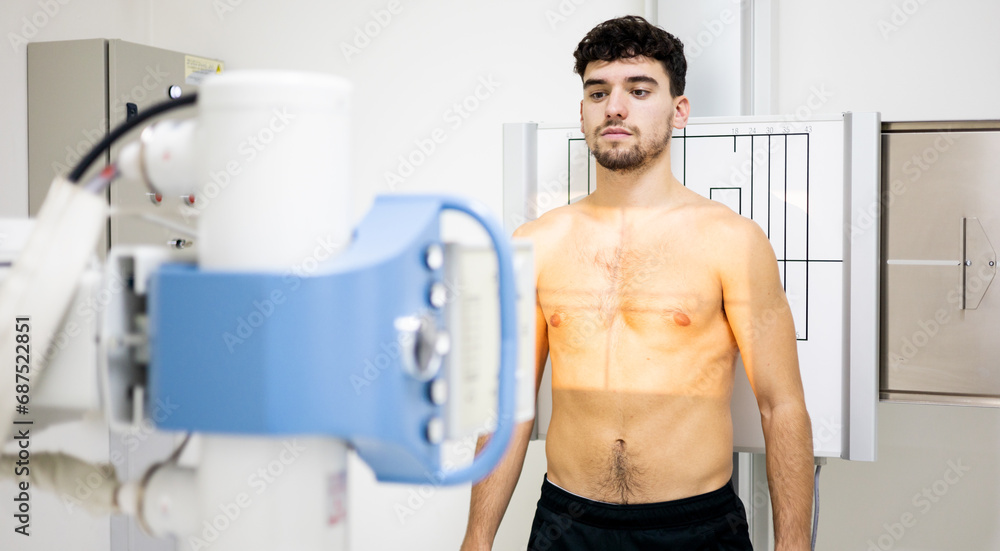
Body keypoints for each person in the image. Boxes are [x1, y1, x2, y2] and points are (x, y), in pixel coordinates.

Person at [461, 15, 813, 550]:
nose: (616, 107)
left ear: (679, 110)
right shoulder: (536, 243)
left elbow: (780, 405)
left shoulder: (732, 241)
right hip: (567, 525)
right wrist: (476, 540)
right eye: (598, 92)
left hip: (696, 526)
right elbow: (509, 407)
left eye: (639, 89)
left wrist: (793, 547)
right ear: (582, 113)